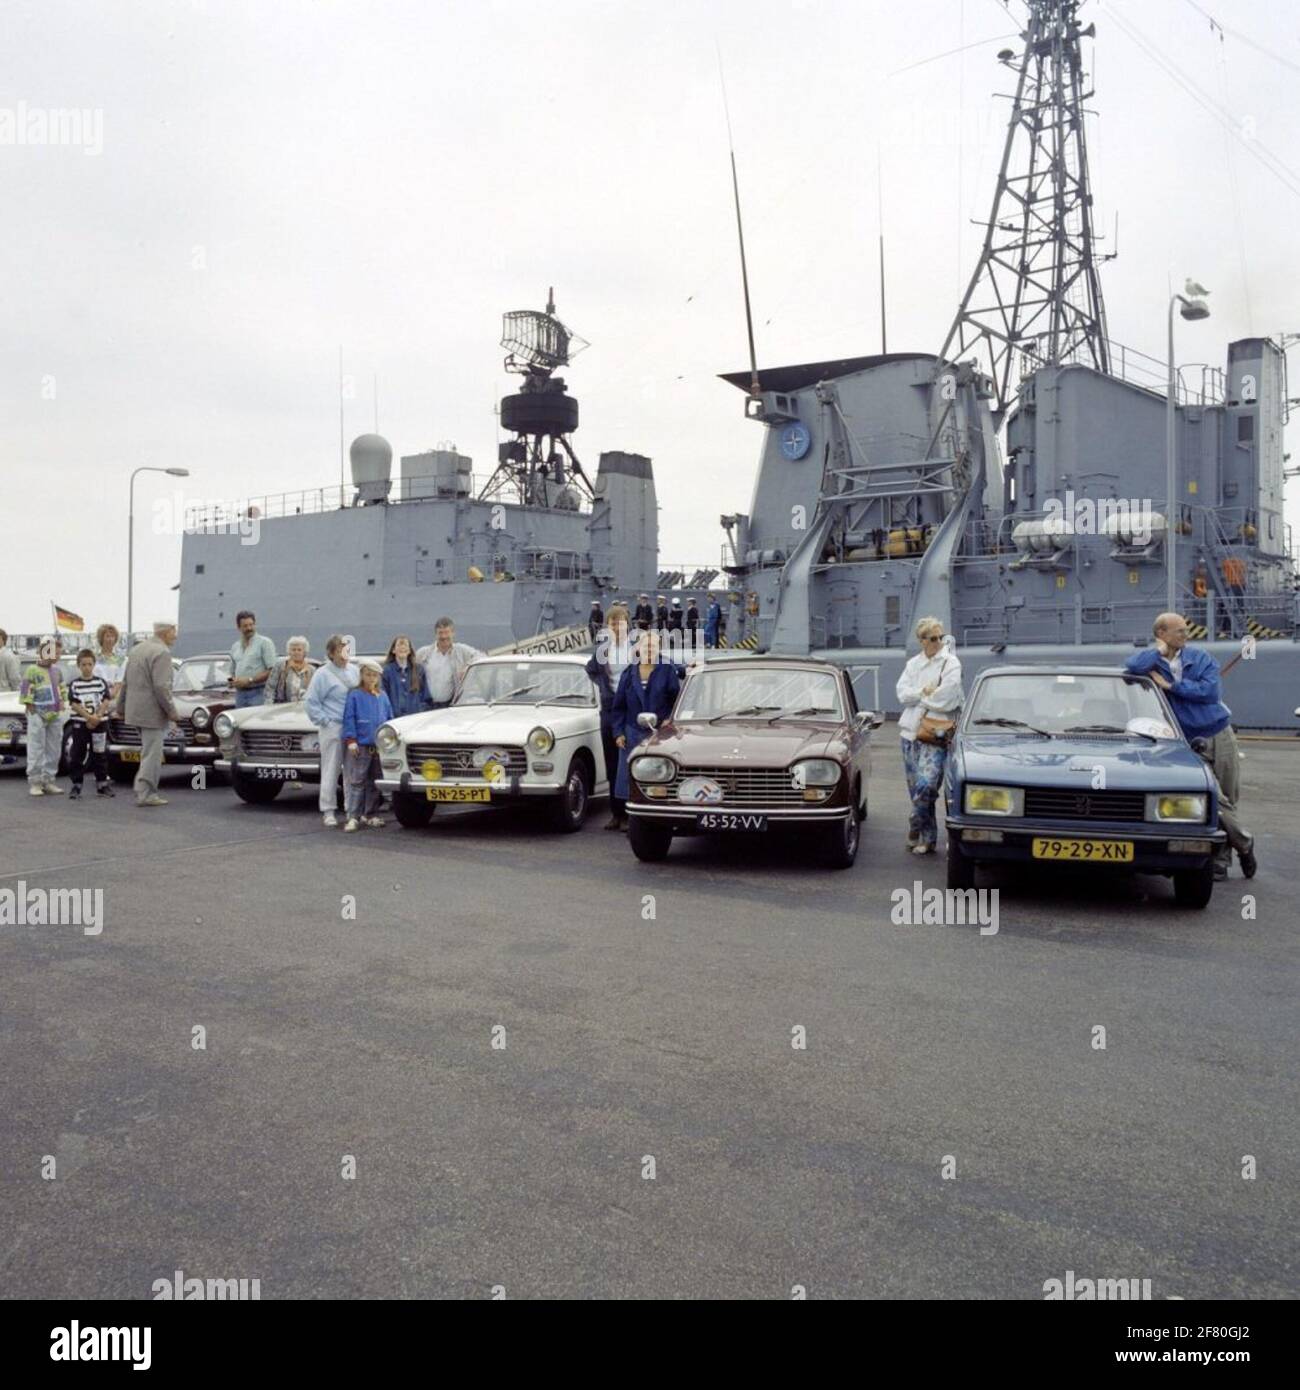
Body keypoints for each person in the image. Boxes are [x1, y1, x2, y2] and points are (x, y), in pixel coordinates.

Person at [1124, 611, 1256, 880]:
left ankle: (1221, 861)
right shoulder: (1152, 661)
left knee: (1229, 797)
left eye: (1186, 630)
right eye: (1180, 631)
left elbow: (1210, 692)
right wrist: (1159, 652)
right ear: (1162, 634)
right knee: (1213, 800)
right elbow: (1132, 666)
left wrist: (1172, 686)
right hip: (1185, 741)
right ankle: (1245, 844)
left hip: (1219, 733)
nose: (1186, 635)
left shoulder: (1200, 658)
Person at [896, 616, 964, 855]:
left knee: (926, 786)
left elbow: (947, 698)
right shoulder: (913, 664)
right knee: (917, 791)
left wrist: (919, 697)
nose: (938, 642)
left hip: (935, 733)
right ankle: (927, 838)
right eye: (932, 638)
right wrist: (924, 692)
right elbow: (902, 694)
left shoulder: (951, 663)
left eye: (940, 637)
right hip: (910, 733)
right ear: (922, 640)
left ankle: (914, 824)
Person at [611, 628, 681, 823]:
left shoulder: (666, 671)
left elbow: (676, 699)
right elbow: (618, 707)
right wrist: (618, 733)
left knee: (656, 774)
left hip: (659, 733)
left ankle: (655, 816)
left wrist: (670, 719)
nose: (649, 649)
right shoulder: (628, 673)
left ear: (659, 649)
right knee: (627, 775)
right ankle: (628, 819)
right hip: (632, 731)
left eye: (653, 645)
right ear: (638, 648)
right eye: (645, 645)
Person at [116, 621, 181, 807]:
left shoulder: (137, 650)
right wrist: (172, 712)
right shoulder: (162, 653)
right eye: (173, 631)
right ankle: (146, 793)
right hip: (152, 713)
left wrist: (121, 708)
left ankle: (143, 790)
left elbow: (125, 682)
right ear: (166, 632)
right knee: (152, 754)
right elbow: (162, 687)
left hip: (135, 711)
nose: (175, 635)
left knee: (147, 752)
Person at [585, 603, 634, 830]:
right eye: (613, 623)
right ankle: (616, 814)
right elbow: (591, 669)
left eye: (620, 622)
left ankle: (630, 813)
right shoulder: (602, 650)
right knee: (612, 762)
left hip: (630, 711)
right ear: (607, 626)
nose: (616, 626)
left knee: (629, 763)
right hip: (609, 709)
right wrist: (604, 687)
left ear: (627, 625)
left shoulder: (635, 649)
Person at [305, 634, 360, 829]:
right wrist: (324, 721)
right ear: (331, 653)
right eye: (339, 649)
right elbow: (311, 701)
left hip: (351, 727)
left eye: (346, 649)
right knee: (331, 768)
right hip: (333, 726)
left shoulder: (355, 671)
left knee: (352, 770)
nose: (344, 653)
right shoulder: (322, 674)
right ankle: (328, 810)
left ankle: (350, 808)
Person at [341, 659, 392, 832]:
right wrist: (351, 740)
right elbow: (349, 718)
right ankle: (353, 816)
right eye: (368, 674)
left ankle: (370, 814)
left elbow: (389, 719)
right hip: (361, 745)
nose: (371, 678)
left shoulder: (383, 696)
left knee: (374, 782)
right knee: (357, 781)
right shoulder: (355, 695)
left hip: (378, 747)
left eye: (374, 675)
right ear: (361, 675)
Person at [63, 648, 115, 800]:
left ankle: (102, 784)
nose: (87, 667)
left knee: (99, 753)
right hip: (81, 723)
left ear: (94, 665)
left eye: (89, 664)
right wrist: (88, 717)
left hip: (99, 723)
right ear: (79, 666)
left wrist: (97, 716)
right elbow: (74, 704)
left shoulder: (100, 682)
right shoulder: (75, 684)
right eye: (83, 664)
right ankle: (76, 785)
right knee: (77, 754)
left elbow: (106, 700)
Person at [20, 636, 67, 796]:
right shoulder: (32, 670)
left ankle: (49, 780)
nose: (57, 657)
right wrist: (29, 705)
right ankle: (35, 781)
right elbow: (25, 688)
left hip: (54, 713)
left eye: (59, 654)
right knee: (36, 746)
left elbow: (62, 688)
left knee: (54, 747)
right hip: (37, 712)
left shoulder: (57, 671)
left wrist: (63, 702)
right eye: (56, 653)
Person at [416, 618, 480, 709]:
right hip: (426, 705)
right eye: (440, 633)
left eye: (447, 632)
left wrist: (468, 667)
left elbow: (481, 656)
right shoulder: (424, 653)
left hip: (450, 705)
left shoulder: (461, 651)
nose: (443, 637)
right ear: (435, 634)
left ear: (453, 633)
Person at [228, 611, 276, 708]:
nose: (249, 628)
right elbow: (232, 672)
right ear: (238, 627)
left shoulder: (265, 643)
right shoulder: (235, 647)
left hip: (259, 693)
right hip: (240, 695)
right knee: (240, 722)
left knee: (256, 722)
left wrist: (249, 680)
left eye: (251, 625)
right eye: (245, 626)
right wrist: (232, 681)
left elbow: (272, 670)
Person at [382, 634, 432, 717]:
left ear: (409, 651)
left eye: (405, 645)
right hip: (394, 718)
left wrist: (420, 710)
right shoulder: (387, 671)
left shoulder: (419, 670)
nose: (402, 647)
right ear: (393, 650)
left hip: (415, 718)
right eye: (399, 645)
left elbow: (426, 696)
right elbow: (383, 696)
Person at [263, 636, 315, 704]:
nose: (296, 652)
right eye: (293, 650)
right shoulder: (280, 666)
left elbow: (314, 692)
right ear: (289, 652)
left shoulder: (311, 670)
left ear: (304, 652)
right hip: (282, 707)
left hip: (303, 709)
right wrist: (269, 704)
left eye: (299, 650)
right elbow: (270, 688)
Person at [92, 623, 126, 699]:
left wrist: (110, 695)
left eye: (113, 636)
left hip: (113, 697)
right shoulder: (93, 658)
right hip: (95, 696)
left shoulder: (121, 659)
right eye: (107, 636)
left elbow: (119, 680)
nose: (110, 639)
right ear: (101, 638)